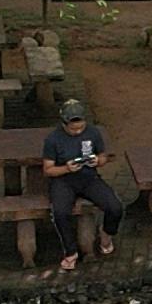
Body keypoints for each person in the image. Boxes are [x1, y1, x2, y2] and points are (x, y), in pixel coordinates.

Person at [36, 95, 128, 265]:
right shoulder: (53, 140)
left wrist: (98, 161)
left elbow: (103, 156)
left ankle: (106, 234)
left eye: (80, 128)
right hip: (63, 181)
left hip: (88, 178)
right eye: (73, 129)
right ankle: (70, 251)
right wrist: (66, 168)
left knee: (115, 207)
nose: (78, 131)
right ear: (64, 124)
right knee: (60, 213)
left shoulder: (93, 132)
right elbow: (48, 169)